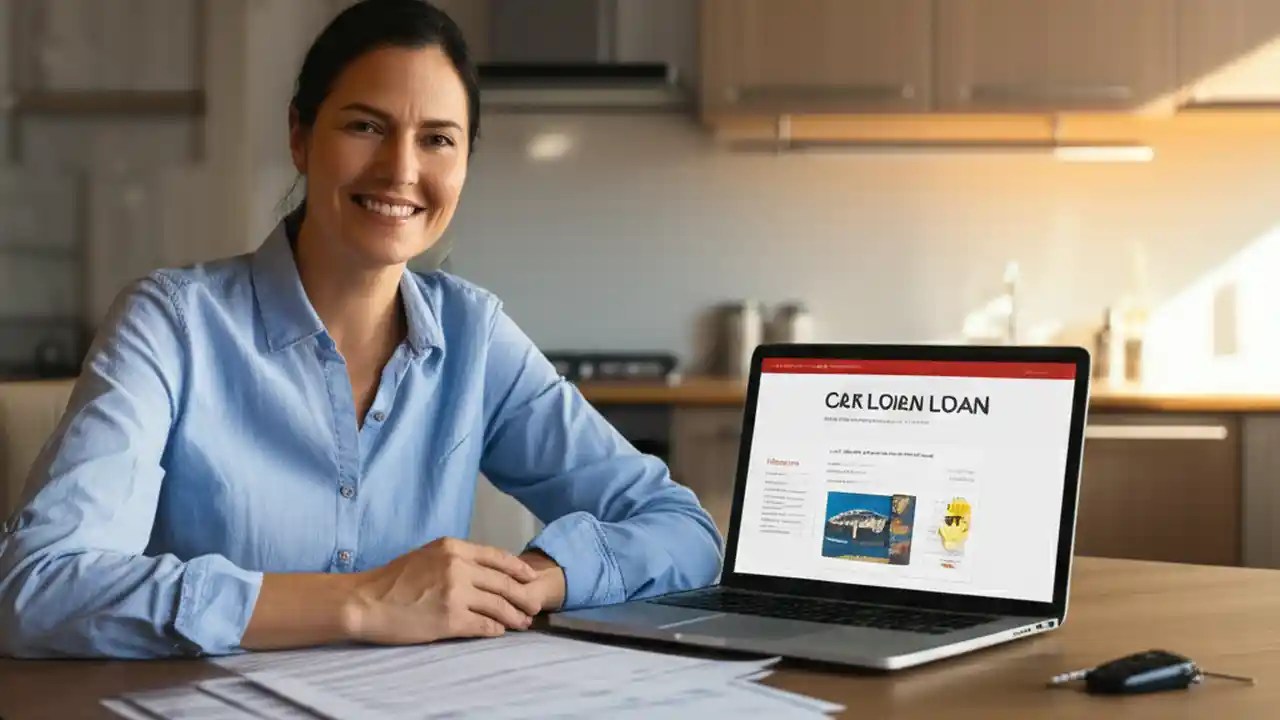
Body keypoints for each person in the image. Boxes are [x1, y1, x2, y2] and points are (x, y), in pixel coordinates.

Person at [0, 0, 721, 659]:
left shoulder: (474, 337)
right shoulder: (172, 325)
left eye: (437, 139)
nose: (401, 169)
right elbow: (38, 590)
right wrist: (364, 601)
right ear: (300, 135)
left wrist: (536, 578)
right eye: (366, 126)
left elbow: (682, 530)